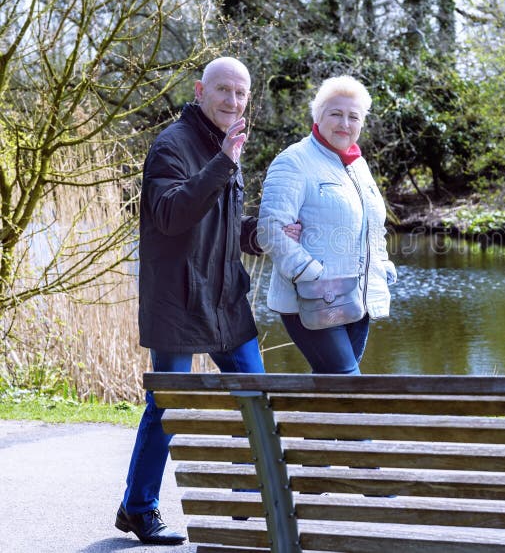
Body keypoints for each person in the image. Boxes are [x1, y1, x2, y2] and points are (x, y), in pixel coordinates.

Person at [115, 57, 299, 545]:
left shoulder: (227, 146)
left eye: (240, 94)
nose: (231, 101)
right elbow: (172, 216)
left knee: (255, 395)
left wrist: (260, 237)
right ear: (200, 90)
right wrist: (224, 164)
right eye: (222, 90)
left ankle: (246, 498)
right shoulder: (171, 146)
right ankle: (138, 508)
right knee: (167, 405)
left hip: (225, 300)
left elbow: (218, 228)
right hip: (177, 301)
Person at [257, 75, 397, 374]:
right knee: (348, 384)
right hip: (311, 299)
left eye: (353, 116)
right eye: (335, 114)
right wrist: (310, 275)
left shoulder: (358, 166)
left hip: (356, 299)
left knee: (332, 389)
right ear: (318, 115)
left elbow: (375, 227)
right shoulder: (294, 161)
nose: (344, 123)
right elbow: (271, 230)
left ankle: (310, 422)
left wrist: (382, 265)